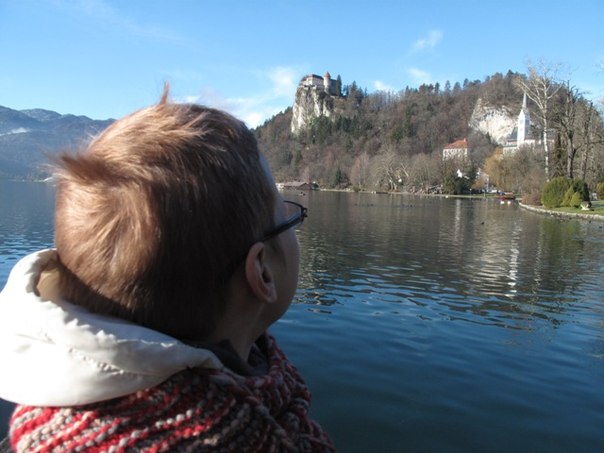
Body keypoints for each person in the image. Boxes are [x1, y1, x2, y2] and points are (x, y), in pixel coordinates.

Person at [0, 88, 335, 452]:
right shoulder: (246, 440)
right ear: (262, 272)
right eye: (284, 216)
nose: (291, 218)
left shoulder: (54, 403)